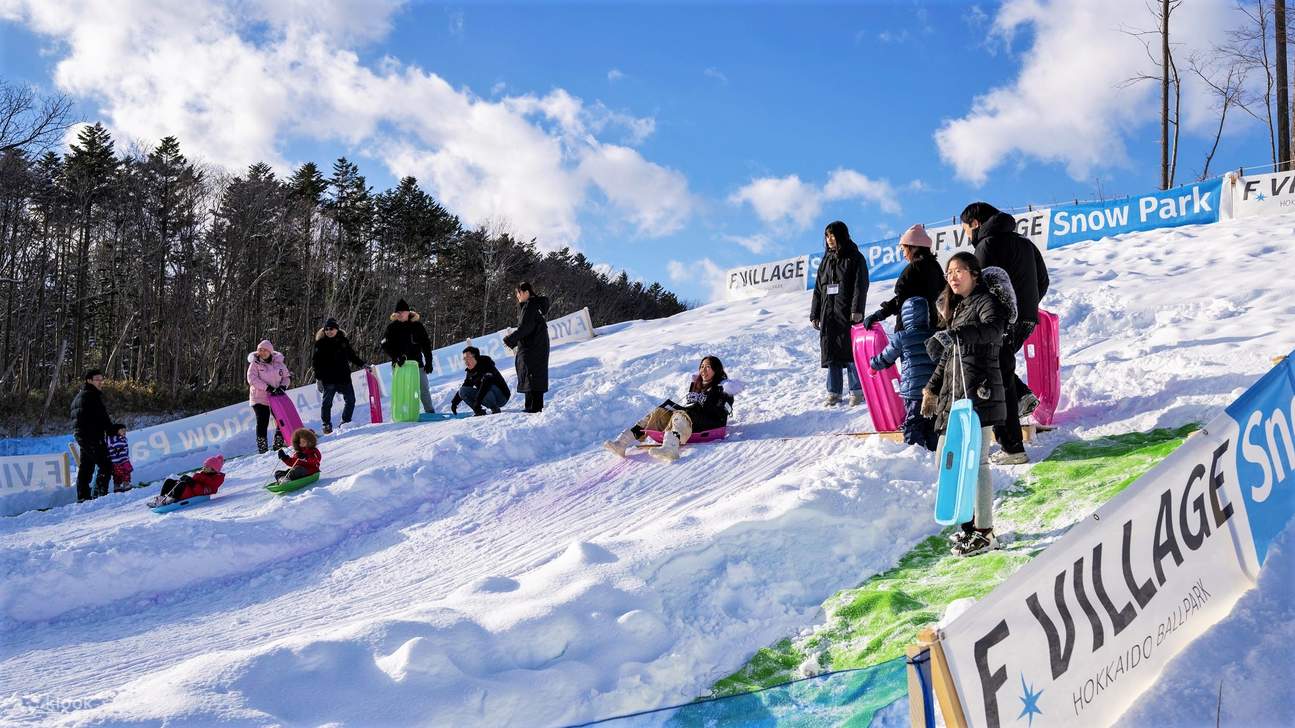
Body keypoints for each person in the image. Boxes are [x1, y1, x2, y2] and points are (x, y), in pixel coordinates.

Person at [920, 252, 1017, 557]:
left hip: (980, 393)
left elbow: (993, 330)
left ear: (974, 274)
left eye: (959, 270)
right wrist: (931, 389)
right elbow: (948, 357)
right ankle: (968, 524)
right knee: (947, 461)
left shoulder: (986, 301)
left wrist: (956, 334)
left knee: (977, 463)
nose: (953, 276)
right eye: (949, 273)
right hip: (956, 395)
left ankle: (985, 532)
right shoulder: (959, 309)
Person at [963, 202, 1050, 465]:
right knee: (1000, 371)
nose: (966, 235)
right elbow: (1043, 280)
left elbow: (978, 288)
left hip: (1000, 322)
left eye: (966, 228)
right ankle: (1022, 398)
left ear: (976, 223)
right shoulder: (1025, 243)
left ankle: (1012, 447)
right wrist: (1027, 307)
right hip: (1025, 320)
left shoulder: (986, 246)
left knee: (995, 377)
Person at [602, 356, 744, 462]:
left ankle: (671, 448)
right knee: (659, 411)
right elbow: (692, 405)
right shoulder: (697, 384)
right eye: (702, 366)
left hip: (711, 422)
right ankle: (622, 443)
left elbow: (721, 412)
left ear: (716, 369)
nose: (703, 370)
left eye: (708, 367)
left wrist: (712, 401)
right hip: (693, 418)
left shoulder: (724, 387)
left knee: (681, 413)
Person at [810, 220, 868, 407]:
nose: (829, 239)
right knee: (832, 352)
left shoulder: (855, 258)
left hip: (847, 313)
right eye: (827, 236)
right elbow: (818, 289)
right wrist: (815, 313)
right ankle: (834, 392)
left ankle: (857, 391)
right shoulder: (825, 261)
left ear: (842, 235)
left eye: (833, 235)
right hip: (829, 314)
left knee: (850, 352)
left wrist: (856, 310)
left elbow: (861, 286)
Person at [869, 296, 938, 451]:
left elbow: (886, 357)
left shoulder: (901, 337)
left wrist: (873, 365)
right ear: (926, 314)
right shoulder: (934, 335)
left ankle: (915, 452)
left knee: (913, 422)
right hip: (933, 390)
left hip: (913, 391)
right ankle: (934, 450)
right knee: (932, 421)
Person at [863, 224, 944, 332]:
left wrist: (879, 314)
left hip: (909, 326)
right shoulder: (936, 267)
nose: (903, 254)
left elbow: (901, 298)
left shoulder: (913, 268)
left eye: (903, 249)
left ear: (914, 247)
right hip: (932, 326)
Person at [70, 369, 125, 501]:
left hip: (82, 435)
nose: (100, 382)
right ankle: (99, 496)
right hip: (91, 436)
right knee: (106, 465)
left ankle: (83, 496)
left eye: (101, 379)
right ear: (89, 380)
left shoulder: (79, 396)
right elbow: (103, 419)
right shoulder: (91, 396)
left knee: (86, 466)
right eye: (97, 379)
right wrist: (116, 429)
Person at [312, 317, 367, 434]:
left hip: (343, 377)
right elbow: (315, 363)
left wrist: (362, 364)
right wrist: (318, 379)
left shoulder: (343, 341)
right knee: (327, 403)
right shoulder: (320, 344)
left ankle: (345, 421)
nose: (329, 331)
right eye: (326, 329)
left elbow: (351, 356)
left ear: (337, 329)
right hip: (328, 379)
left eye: (331, 328)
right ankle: (326, 424)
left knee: (351, 400)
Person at [502, 282, 550, 413]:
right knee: (535, 376)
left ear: (526, 292)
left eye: (518, 293)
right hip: (538, 346)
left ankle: (532, 408)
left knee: (531, 375)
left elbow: (526, 327)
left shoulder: (530, 306)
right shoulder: (535, 306)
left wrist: (510, 339)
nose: (517, 296)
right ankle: (534, 407)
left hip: (532, 347)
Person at [380, 298, 435, 414]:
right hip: (400, 365)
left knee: (423, 388)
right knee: (403, 390)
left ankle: (430, 411)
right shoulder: (392, 327)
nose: (399, 314)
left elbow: (426, 345)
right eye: (397, 312)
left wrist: (429, 362)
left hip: (417, 363)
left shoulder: (417, 326)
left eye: (401, 312)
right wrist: (396, 357)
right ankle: (404, 413)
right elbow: (384, 344)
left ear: (408, 312)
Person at [247, 339, 291, 454]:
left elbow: (286, 377)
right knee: (262, 421)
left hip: (276, 397)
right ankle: (262, 447)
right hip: (259, 398)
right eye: (260, 350)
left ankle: (278, 442)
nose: (262, 352)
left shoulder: (279, 363)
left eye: (265, 350)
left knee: (281, 419)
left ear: (270, 351)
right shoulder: (254, 364)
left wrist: (283, 387)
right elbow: (252, 379)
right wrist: (268, 388)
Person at [146, 455, 226, 508]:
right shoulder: (203, 474)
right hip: (193, 489)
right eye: (204, 466)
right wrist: (189, 480)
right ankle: (161, 498)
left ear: (213, 469)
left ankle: (170, 500)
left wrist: (192, 481)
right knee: (170, 481)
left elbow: (209, 486)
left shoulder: (218, 478)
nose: (204, 468)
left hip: (201, 492)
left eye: (207, 467)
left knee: (182, 484)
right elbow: (197, 481)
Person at [450, 346, 511, 416]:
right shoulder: (470, 371)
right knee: (462, 391)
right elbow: (465, 386)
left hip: (501, 397)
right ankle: (478, 411)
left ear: (475, 357)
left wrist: (477, 402)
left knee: (486, 383)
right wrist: (454, 403)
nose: (466, 361)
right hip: (486, 396)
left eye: (468, 358)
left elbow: (486, 384)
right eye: (464, 359)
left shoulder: (487, 365)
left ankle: (495, 408)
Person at [106, 427, 133, 492]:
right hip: (121, 460)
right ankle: (125, 484)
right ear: (116, 431)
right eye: (122, 430)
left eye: (125, 430)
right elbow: (118, 447)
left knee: (117, 474)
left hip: (117, 460)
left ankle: (117, 486)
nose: (124, 432)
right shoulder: (117, 439)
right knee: (125, 471)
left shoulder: (112, 439)